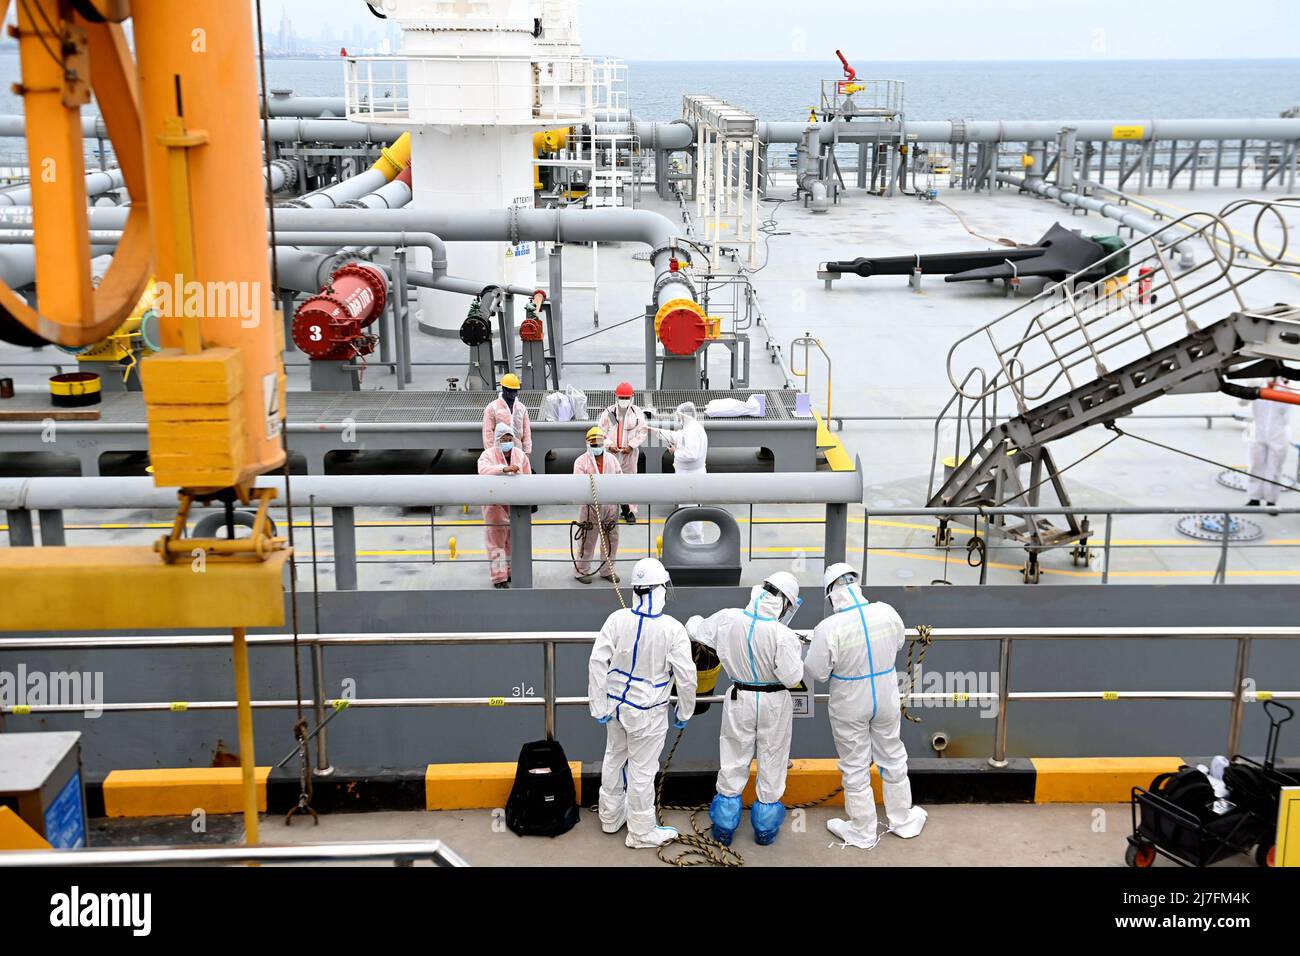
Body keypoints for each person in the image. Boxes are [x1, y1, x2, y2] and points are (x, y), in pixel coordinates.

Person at [804, 562, 927, 849]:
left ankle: (862, 830)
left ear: (830, 594)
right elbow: (897, 643)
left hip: (849, 699)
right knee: (893, 755)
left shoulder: (827, 627)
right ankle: (903, 820)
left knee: (855, 764)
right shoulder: (886, 611)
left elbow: (818, 672)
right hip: (885, 692)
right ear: (857, 584)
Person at [686, 572, 804, 846]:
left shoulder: (728, 617)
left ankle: (725, 826)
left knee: (733, 757)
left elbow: (696, 628)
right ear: (785, 604)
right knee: (772, 760)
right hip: (774, 702)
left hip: (739, 697)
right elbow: (791, 677)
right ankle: (765, 828)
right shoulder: (783, 635)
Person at [588, 557, 697, 849]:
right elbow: (686, 676)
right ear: (660, 588)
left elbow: (597, 661)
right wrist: (685, 710)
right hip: (648, 714)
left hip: (615, 708)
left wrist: (598, 705)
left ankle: (610, 817)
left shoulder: (616, 619)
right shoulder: (672, 629)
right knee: (642, 771)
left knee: (614, 757)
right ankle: (640, 831)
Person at [476, 422, 532, 588]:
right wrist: (504, 469)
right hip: (495, 506)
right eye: (504, 439)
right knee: (496, 543)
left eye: (510, 439)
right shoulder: (487, 455)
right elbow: (483, 470)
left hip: (515, 505)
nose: (507, 442)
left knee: (512, 542)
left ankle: (511, 571)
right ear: (497, 440)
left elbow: (528, 476)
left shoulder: (520, 455)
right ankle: (499, 578)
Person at [650, 401, 709, 544]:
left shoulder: (692, 431)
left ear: (683, 415)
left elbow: (691, 454)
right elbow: (677, 436)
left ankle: (694, 546)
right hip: (689, 478)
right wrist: (655, 431)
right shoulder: (691, 428)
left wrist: (675, 452)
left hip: (690, 480)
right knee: (689, 513)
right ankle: (692, 543)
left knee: (691, 516)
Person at [573, 426, 622, 584]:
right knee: (587, 540)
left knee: (611, 540)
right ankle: (581, 571)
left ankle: (607, 570)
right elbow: (578, 484)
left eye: (599, 443)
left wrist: (626, 504)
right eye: (593, 443)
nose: (597, 446)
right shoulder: (581, 462)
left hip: (611, 507)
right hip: (590, 508)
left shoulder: (612, 460)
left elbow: (621, 479)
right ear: (587, 444)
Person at [598, 382, 648, 524]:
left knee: (629, 481)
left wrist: (631, 446)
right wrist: (609, 445)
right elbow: (601, 431)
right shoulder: (608, 413)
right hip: (612, 454)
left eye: (626, 398)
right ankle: (611, 512)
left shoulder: (637, 413)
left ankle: (630, 511)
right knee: (610, 480)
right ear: (616, 397)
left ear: (632, 397)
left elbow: (642, 432)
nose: (624, 401)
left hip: (629, 454)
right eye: (622, 398)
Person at [1246, 387, 1291, 513]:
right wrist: (1253, 385)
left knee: (1275, 467)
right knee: (1255, 465)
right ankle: (1254, 498)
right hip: (1258, 430)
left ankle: (1271, 501)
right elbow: (1242, 402)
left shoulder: (1287, 387)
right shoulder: (1258, 384)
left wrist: (1282, 384)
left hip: (1278, 433)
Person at [481, 373, 532, 457]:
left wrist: (527, 453)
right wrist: (491, 454)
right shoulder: (492, 408)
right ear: (503, 389)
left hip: (517, 453)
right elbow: (488, 433)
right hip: (498, 454)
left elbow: (526, 433)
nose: (513, 394)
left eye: (515, 391)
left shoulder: (521, 409)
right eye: (510, 390)